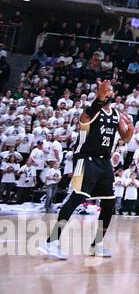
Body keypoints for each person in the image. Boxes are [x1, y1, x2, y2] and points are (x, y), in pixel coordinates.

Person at [42, 80, 133, 259]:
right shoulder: (89, 111)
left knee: (109, 203)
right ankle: (52, 241)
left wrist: (130, 128)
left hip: (105, 162)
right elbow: (86, 117)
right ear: (99, 93)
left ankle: (96, 244)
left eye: (110, 90)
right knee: (77, 197)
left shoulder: (115, 113)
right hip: (86, 159)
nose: (108, 92)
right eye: (105, 90)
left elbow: (126, 138)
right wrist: (99, 96)